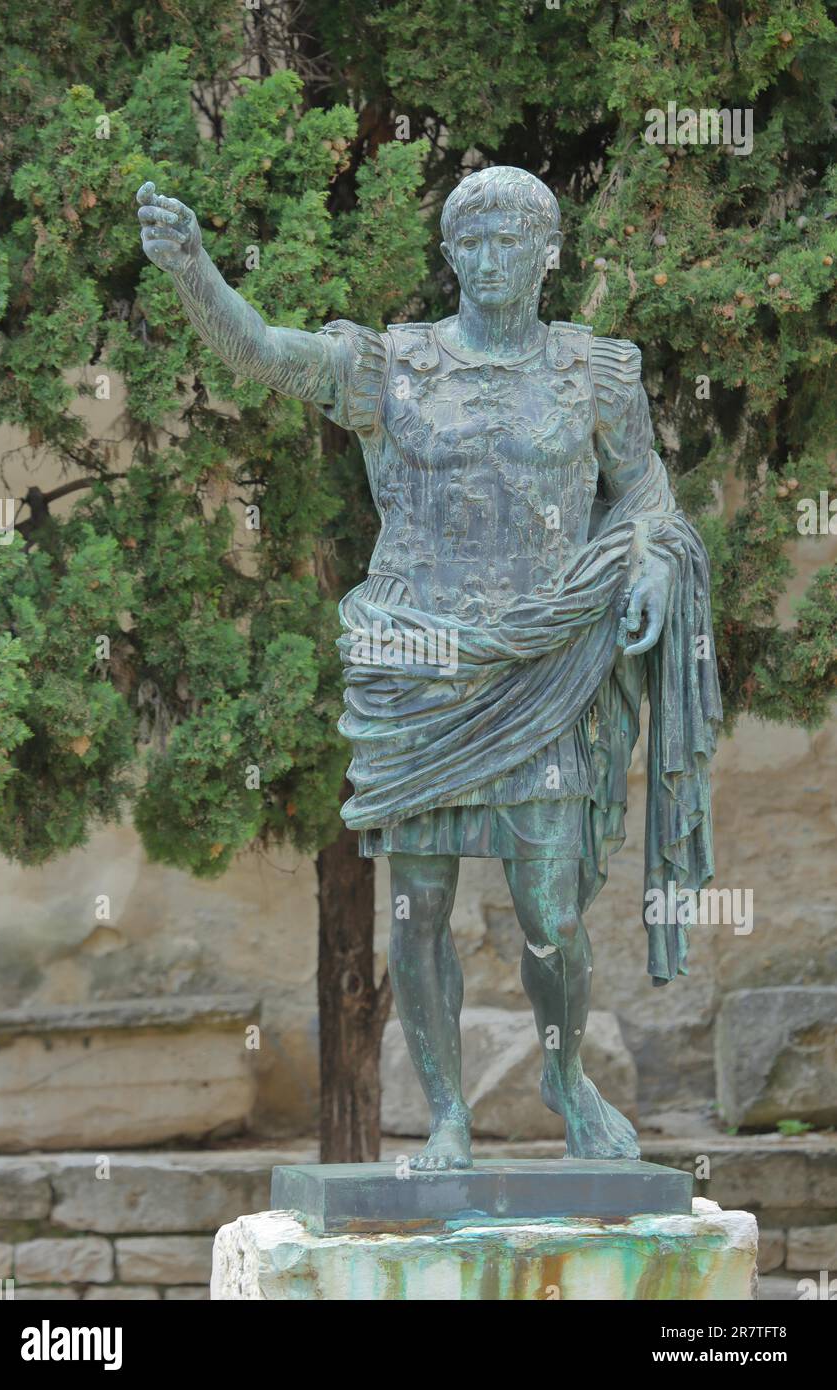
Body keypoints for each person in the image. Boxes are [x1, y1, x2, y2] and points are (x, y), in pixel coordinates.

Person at [138, 166, 721, 1170]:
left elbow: (647, 503)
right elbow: (268, 354)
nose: (491, 261)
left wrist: (651, 570)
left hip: (538, 668)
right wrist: (193, 270)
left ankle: (564, 1075)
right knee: (416, 906)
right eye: (473, 242)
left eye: (512, 241)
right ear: (450, 255)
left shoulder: (594, 373)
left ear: (547, 256)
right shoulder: (390, 367)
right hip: (415, 666)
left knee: (549, 914)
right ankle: (445, 1111)